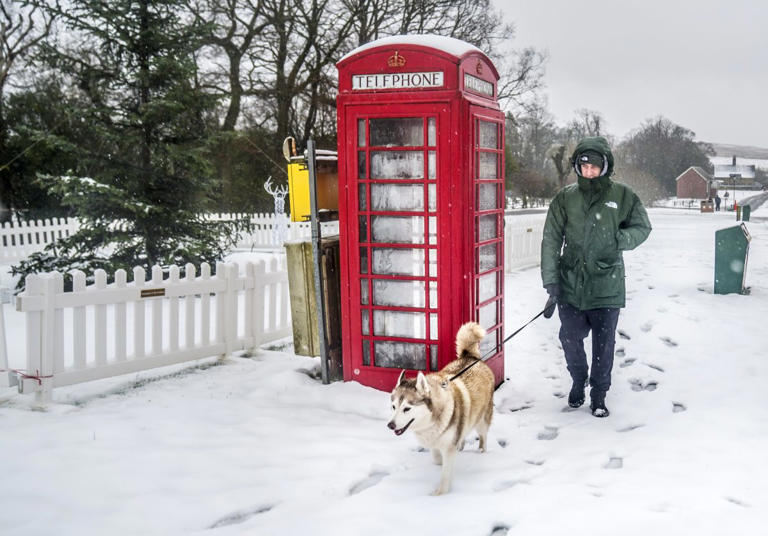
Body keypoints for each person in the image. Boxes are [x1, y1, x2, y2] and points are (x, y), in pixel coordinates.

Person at [540, 136, 652, 417]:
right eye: (584, 166)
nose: (589, 171)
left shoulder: (623, 196)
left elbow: (642, 227)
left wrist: (618, 239)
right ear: (577, 166)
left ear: (605, 167)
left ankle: (599, 394)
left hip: (606, 284)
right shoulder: (566, 198)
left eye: (594, 167)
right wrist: (551, 279)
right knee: (569, 338)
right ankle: (579, 379)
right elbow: (551, 239)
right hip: (570, 283)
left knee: (604, 346)